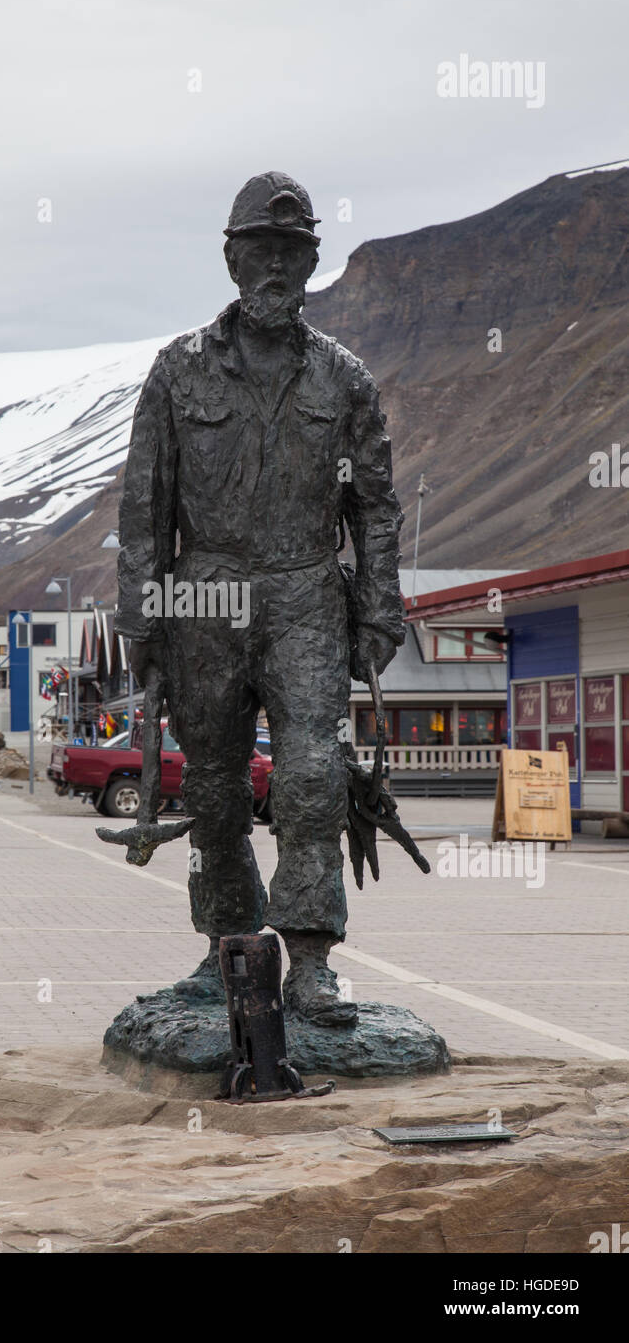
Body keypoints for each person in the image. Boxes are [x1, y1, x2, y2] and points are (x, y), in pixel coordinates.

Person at [115, 172, 405, 1026]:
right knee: (212, 785)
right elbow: (145, 504)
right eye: (263, 252)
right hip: (204, 595)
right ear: (234, 259)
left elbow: (375, 507)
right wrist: (142, 616)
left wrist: (381, 609)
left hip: (306, 593)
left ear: (311, 262)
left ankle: (311, 958)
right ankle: (227, 954)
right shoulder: (177, 372)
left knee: (314, 773)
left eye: (294, 254)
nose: (278, 269)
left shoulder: (344, 380)